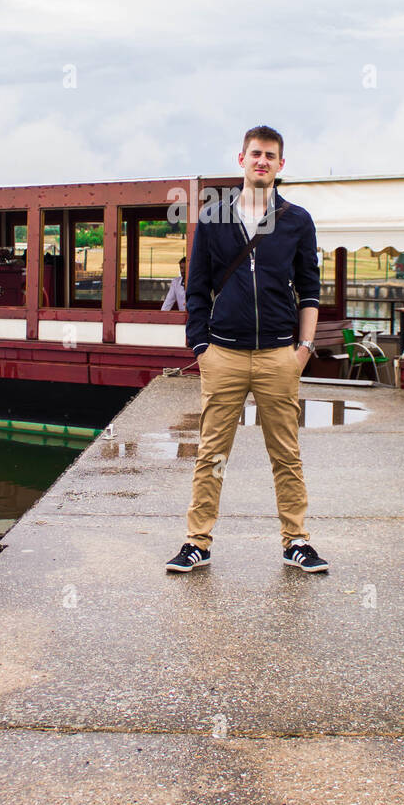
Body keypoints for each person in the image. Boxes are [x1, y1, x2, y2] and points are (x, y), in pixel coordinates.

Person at [165, 125, 328, 574]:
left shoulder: (297, 220)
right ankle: (197, 542)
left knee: (287, 454)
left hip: (279, 355)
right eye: (255, 154)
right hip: (225, 354)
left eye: (270, 155)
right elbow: (195, 289)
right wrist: (201, 347)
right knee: (212, 453)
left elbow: (310, 292)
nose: (262, 161)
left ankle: (296, 541)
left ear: (280, 164)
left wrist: (305, 349)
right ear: (241, 160)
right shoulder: (214, 219)